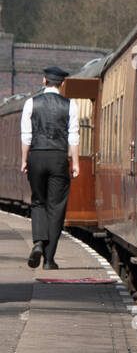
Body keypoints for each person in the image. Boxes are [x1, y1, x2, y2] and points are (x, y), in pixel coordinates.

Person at [20, 67, 80, 270]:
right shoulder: (70, 105)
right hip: (58, 158)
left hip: (36, 155)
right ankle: (49, 260)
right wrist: (76, 163)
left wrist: (24, 160)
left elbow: (26, 135)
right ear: (62, 84)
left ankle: (38, 241)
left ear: (44, 81)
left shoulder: (31, 103)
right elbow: (73, 136)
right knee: (56, 207)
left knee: (38, 201)